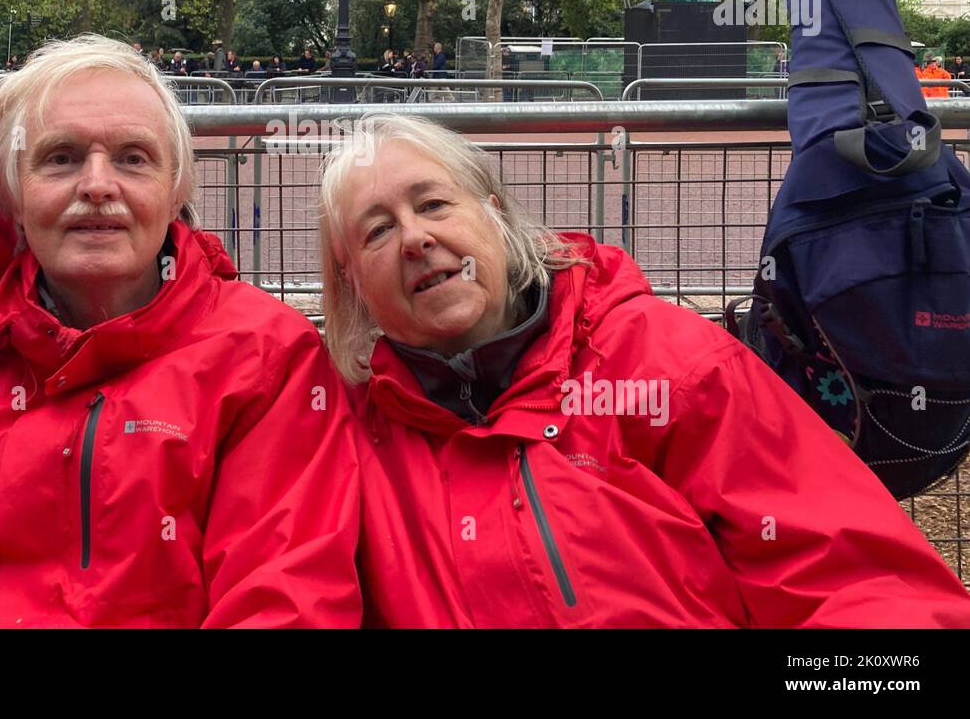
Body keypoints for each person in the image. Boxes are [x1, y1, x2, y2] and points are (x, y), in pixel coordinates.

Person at [0, 36, 361, 628]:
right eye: (62, 158)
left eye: (133, 158)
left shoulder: (268, 357)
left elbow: (283, 599)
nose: (97, 185)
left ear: (176, 190)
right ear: (14, 199)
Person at [316, 113, 970, 628]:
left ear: (493, 211)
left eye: (432, 204)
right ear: (352, 282)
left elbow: (854, 579)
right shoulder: (345, 435)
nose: (414, 238)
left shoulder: (664, 363)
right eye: (376, 231)